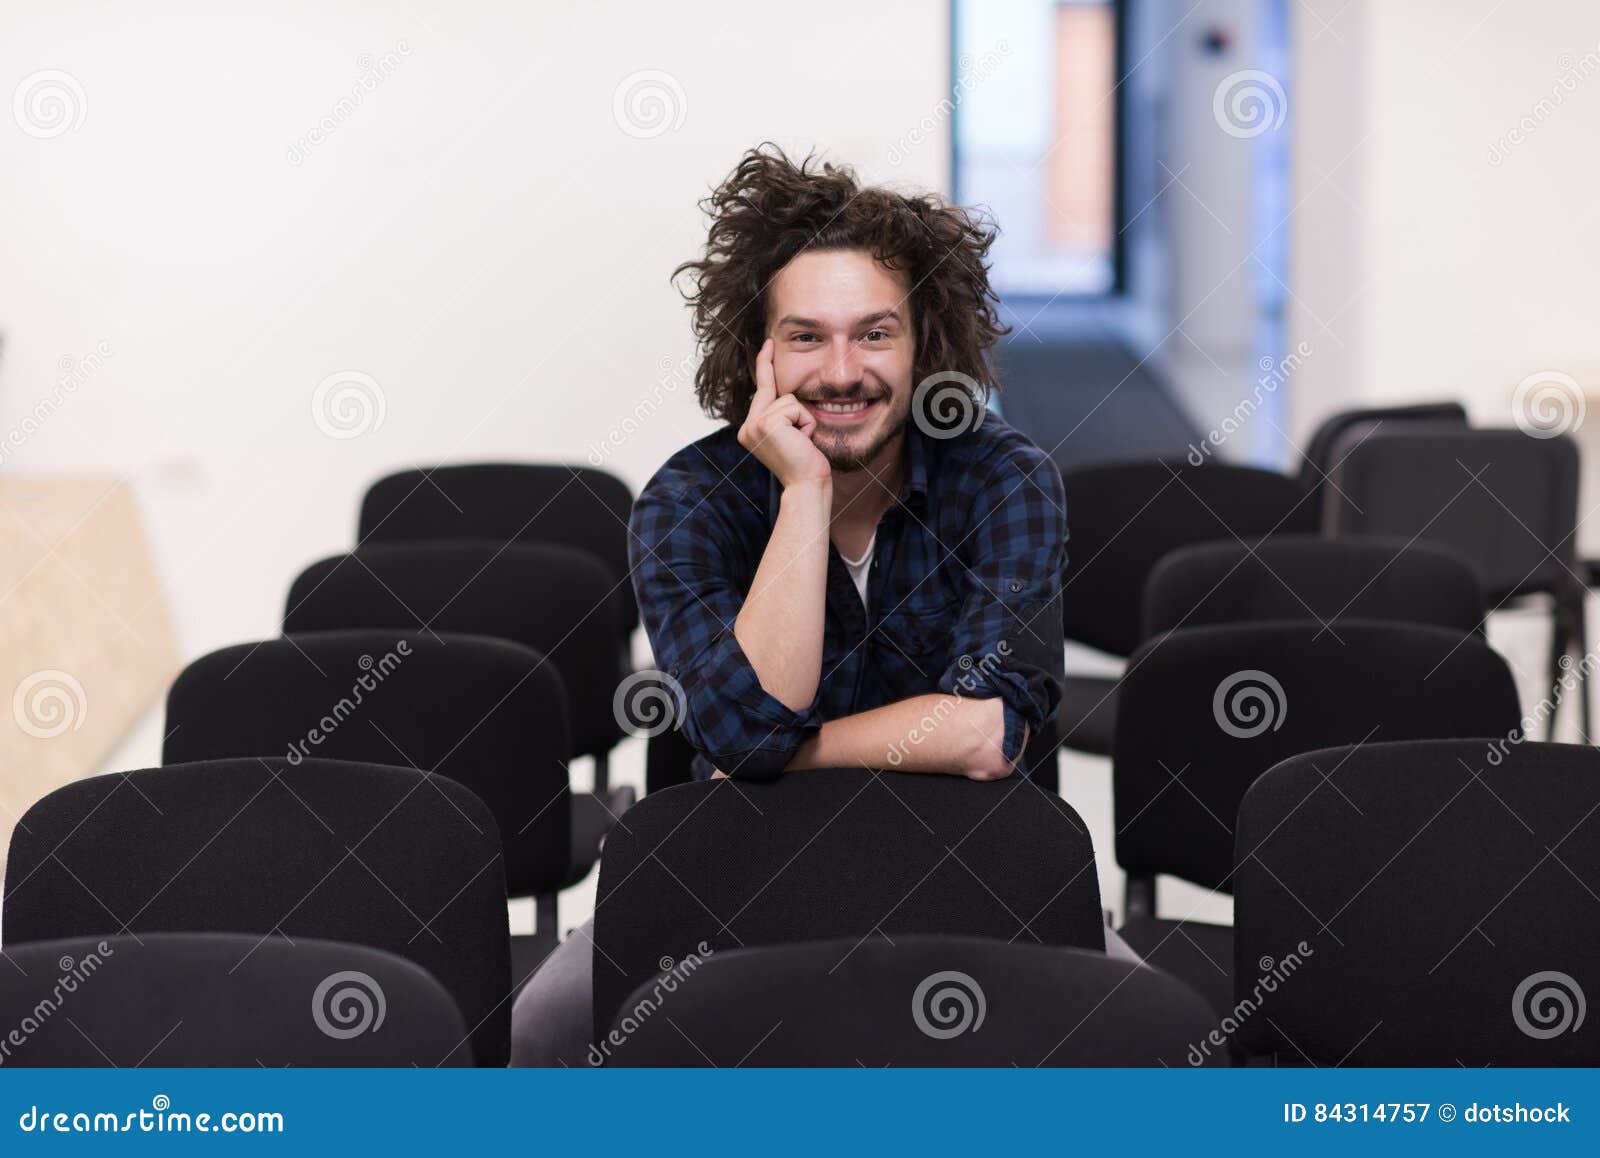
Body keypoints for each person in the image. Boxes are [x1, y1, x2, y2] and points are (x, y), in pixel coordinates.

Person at [511, 145, 1132, 1066]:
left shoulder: (1004, 480)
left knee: (1146, 1038)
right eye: (806, 337)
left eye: (874, 333)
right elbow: (752, 725)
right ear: (756, 353)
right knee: (539, 1039)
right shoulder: (688, 502)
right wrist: (802, 490)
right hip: (733, 886)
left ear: (926, 344)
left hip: (970, 877)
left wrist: (783, 753)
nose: (842, 371)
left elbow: (985, 735)